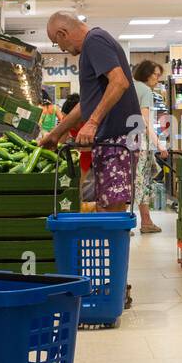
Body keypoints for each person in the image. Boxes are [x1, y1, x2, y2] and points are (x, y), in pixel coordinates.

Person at [39, 13, 139, 213]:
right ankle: (111, 245)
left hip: (117, 140)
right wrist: (56, 134)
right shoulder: (92, 47)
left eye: (56, 42)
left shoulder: (95, 41)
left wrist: (92, 123)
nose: (60, 48)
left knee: (112, 210)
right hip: (110, 141)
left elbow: (119, 82)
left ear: (62, 33)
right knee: (106, 208)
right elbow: (86, 104)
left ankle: (114, 245)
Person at [131, 60, 167, 233]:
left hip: (124, 142)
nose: (158, 79)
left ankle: (123, 222)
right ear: (146, 73)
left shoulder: (128, 87)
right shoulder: (145, 90)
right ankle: (145, 222)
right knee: (142, 182)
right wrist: (159, 143)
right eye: (156, 75)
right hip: (141, 143)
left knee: (127, 181)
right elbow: (145, 122)